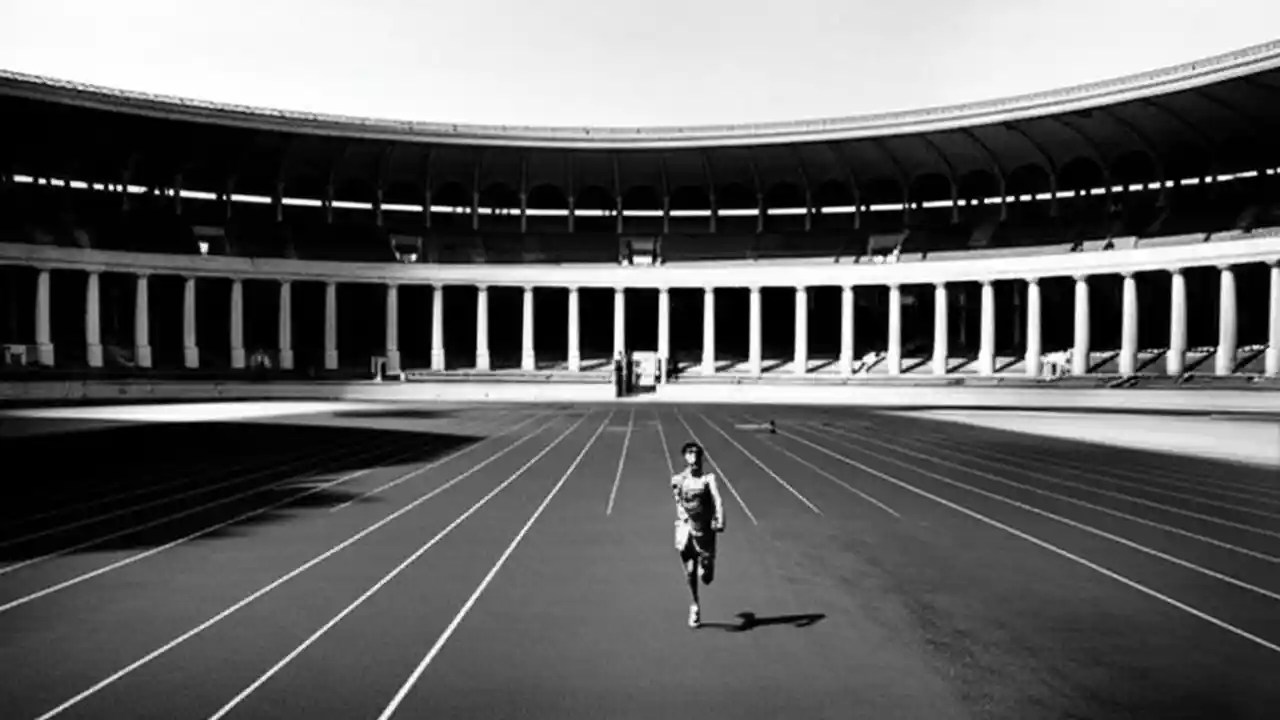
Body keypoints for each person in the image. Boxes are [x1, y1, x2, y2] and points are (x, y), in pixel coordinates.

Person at [671, 441, 725, 628]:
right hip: (685, 529)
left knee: (706, 578)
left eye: (696, 456)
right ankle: (695, 605)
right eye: (689, 456)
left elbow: (717, 500)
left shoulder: (708, 479)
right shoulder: (679, 480)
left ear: (701, 459)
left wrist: (720, 519)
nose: (693, 461)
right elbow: (678, 502)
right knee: (690, 571)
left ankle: (708, 566)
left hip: (705, 532)